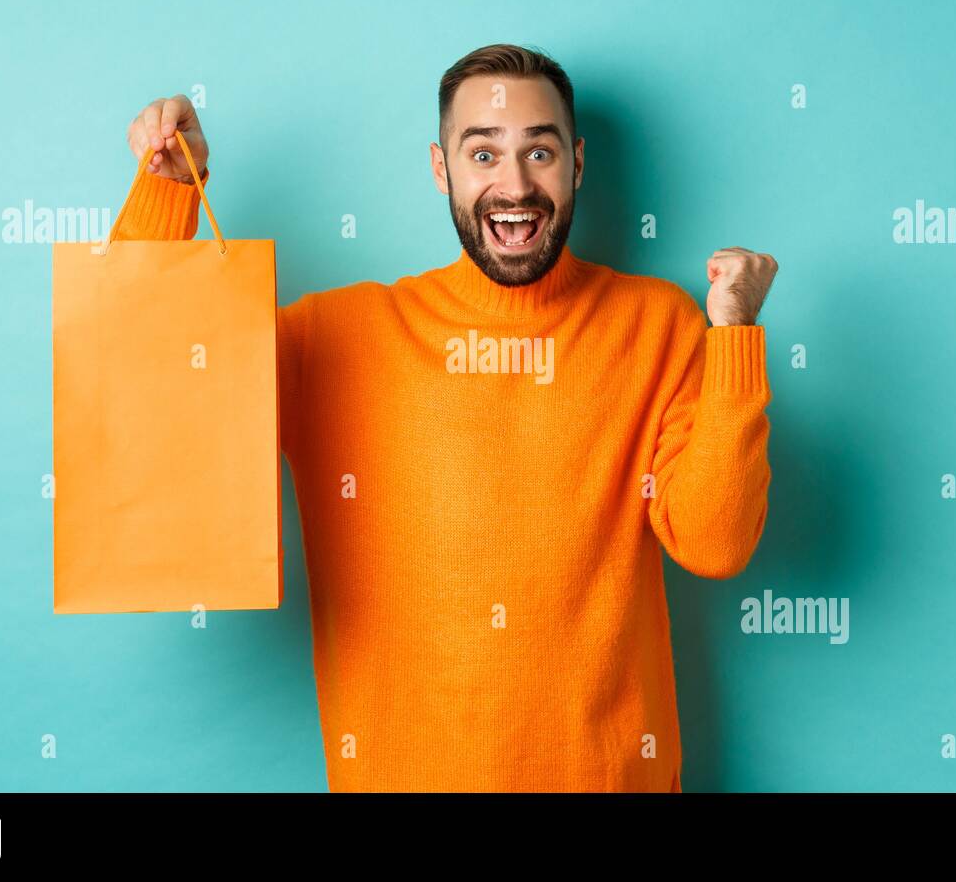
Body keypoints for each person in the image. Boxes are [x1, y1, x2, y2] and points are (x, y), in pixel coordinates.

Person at [118, 43, 778, 792]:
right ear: (442, 170)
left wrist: (732, 339)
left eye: (540, 150)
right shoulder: (337, 338)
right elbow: (154, 395)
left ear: (578, 164)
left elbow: (716, 542)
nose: (515, 184)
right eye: (483, 153)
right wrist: (168, 195)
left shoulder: (657, 324)